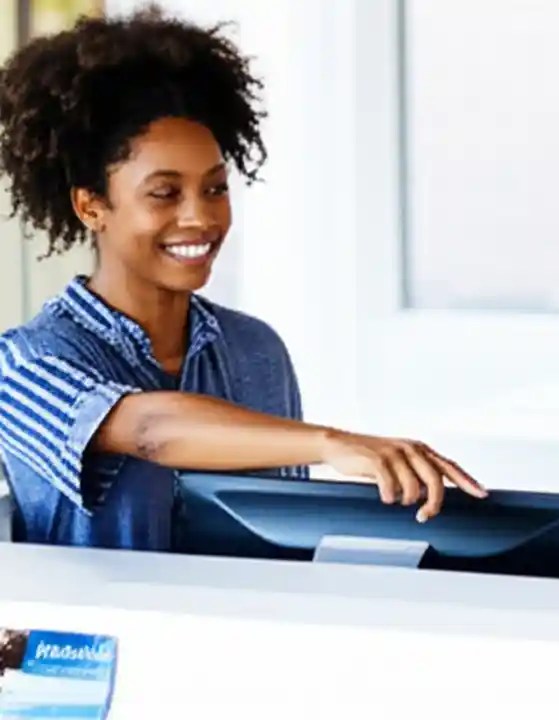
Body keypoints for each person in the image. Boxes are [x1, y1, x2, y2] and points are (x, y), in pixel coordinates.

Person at [0, 9, 486, 550]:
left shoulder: (255, 351)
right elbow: (147, 430)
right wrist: (331, 443)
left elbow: (282, 540)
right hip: (97, 636)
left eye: (214, 189)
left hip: (236, 632)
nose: (201, 218)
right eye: (164, 193)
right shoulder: (24, 365)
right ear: (92, 207)